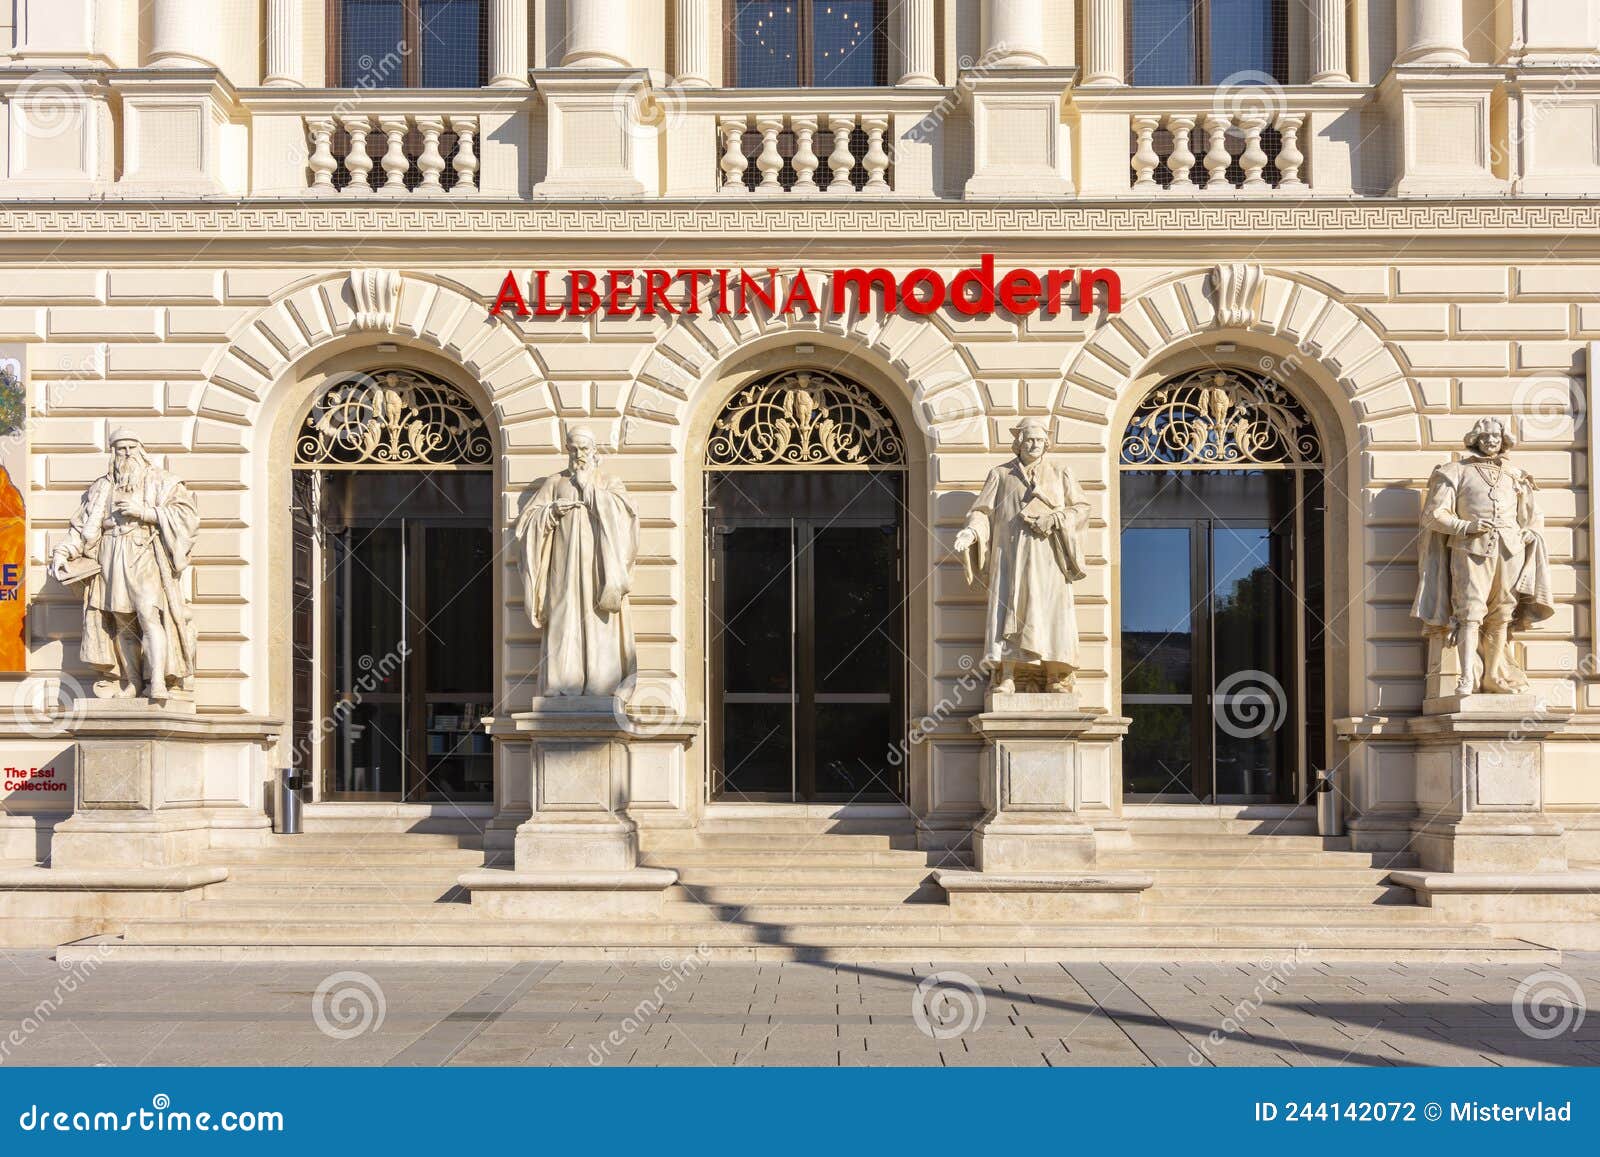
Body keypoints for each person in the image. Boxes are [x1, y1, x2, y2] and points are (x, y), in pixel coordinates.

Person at [49, 430, 198, 702]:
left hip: (144, 552)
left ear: (141, 450)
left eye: (131, 447)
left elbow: (187, 518)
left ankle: (157, 681)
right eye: (120, 449)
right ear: (113, 454)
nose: (126, 454)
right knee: (121, 622)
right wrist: (62, 553)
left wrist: (145, 513)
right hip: (110, 553)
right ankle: (131, 681)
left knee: (149, 615)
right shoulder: (101, 487)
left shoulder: (161, 481)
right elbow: (80, 527)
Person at [1413, 416, 1554, 696]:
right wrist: (1465, 526)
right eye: (1487, 436)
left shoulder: (1515, 475)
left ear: (1504, 441)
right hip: (1470, 549)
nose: (1492, 441)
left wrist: (1528, 532)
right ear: (1476, 438)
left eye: (1497, 437)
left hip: (1510, 550)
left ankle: (1491, 675)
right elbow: (1434, 515)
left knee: (1502, 615)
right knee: (1470, 613)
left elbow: (1532, 515)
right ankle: (1467, 677)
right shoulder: (1454, 471)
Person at [953, 418, 1089, 694]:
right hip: (1010, 557)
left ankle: (1054, 676)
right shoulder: (1001, 474)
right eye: (1028, 439)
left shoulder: (1061, 471)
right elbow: (983, 511)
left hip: (1049, 559)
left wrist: (1055, 518)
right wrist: (971, 532)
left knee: (1050, 614)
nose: (1034, 444)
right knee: (1009, 614)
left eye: (1039, 440)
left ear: (1046, 443)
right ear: (1018, 443)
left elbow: (1082, 508)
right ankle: (1007, 676)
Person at [515, 426, 639, 697]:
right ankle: (561, 684)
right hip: (563, 569)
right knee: (563, 618)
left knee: (598, 623)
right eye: (573, 449)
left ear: (594, 450)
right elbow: (526, 525)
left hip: (598, 571)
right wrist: (550, 512)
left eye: (584, 449)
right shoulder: (554, 483)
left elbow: (626, 518)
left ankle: (600, 685)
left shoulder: (609, 482)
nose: (579, 455)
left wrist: (589, 489)